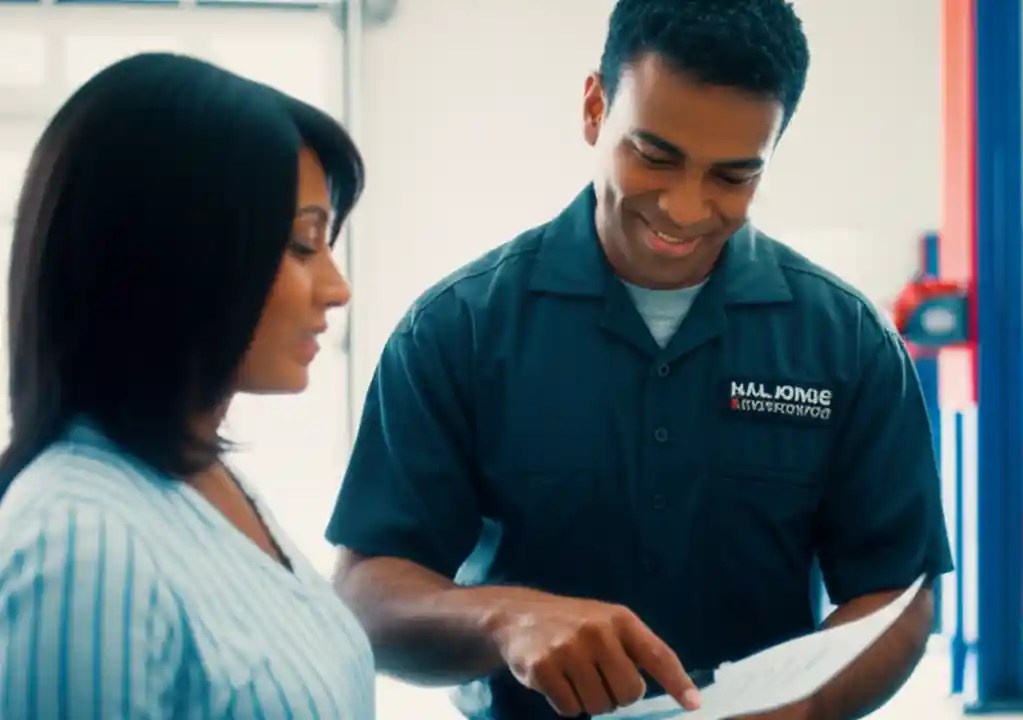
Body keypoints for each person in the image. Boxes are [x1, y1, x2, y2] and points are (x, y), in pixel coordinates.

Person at [327, 1, 953, 718]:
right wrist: (503, 619)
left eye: (733, 176)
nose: (685, 209)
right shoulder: (457, 331)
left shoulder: (847, 344)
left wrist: (805, 708)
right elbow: (364, 593)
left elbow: (897, 598)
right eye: (654, 157)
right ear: (595, 109)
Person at [0, 53, 373, 718]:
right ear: (176, 253)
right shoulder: (80, 542)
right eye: (302, 246)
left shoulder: (205, 482)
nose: (337, 289)